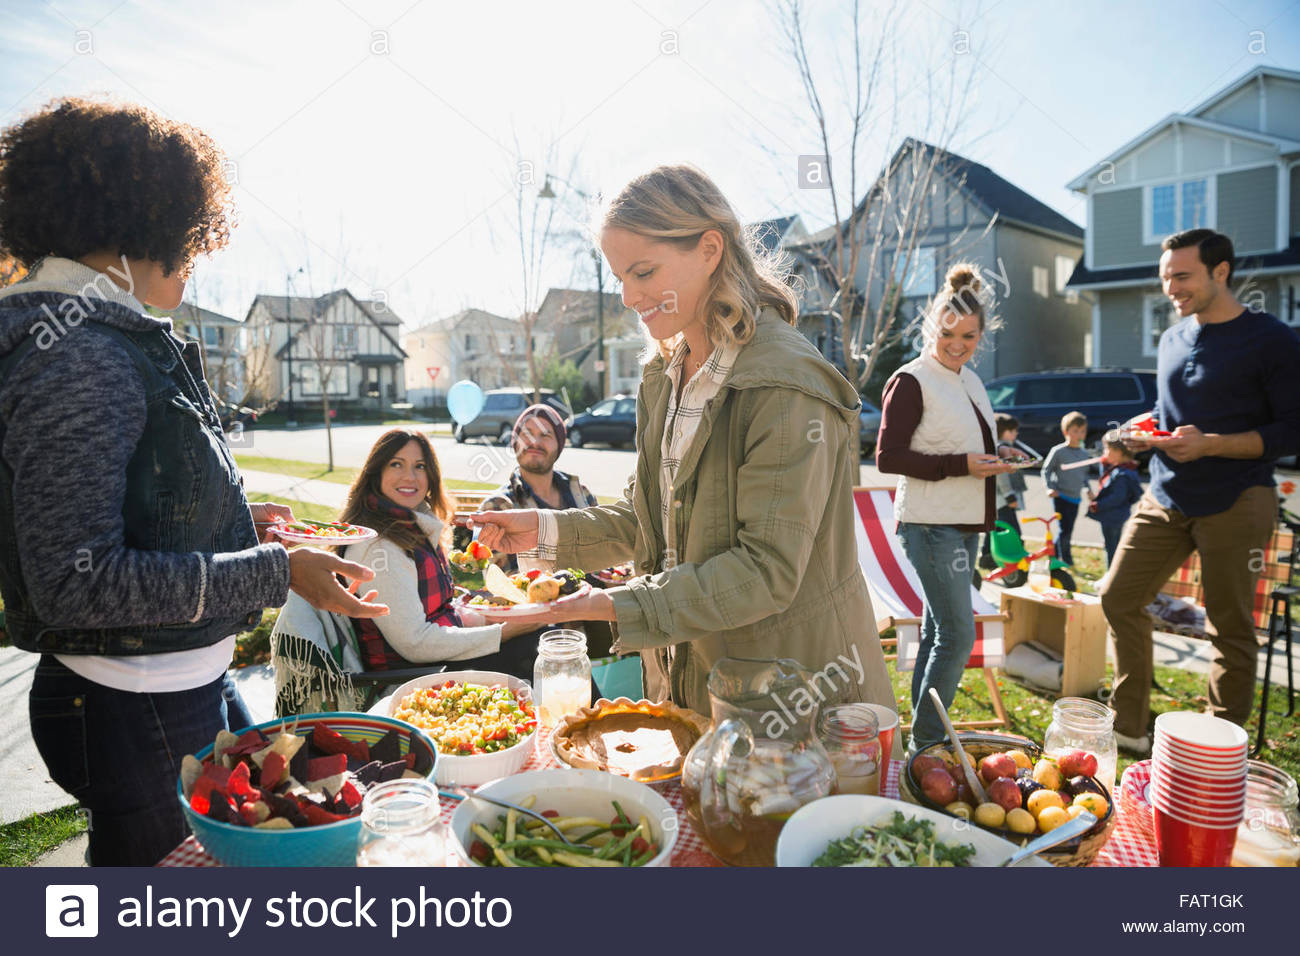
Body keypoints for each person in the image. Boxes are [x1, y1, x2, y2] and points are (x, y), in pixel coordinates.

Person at [0, 98, 386, 866]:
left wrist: (235, 518)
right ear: (141, 221)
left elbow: (139, 504)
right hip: (129, 705)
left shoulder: (95, 333)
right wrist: (279, 572)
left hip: (176, 685)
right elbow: (78, 583)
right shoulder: (75, 352)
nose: (194, 252)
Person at [470, 164, 896, 722]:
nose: (628, 296)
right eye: (620, 276)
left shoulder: (784, 381)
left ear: (710, 248)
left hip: (793, 706)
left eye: (643, 271)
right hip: (695, 685)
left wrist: (613, 606)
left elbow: (765, 570)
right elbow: (645, 518)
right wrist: (542, 531)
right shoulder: (664, 373)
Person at [1100, 228, 1300, 754]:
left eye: (1182, 276)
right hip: (1164, 495)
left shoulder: (1273, 340)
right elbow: (1170, 417)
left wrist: (1212, 444)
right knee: (1118, 598)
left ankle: (1215, 750)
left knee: (1229, 628)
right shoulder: (1172, 338)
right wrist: (1142, 433)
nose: (1171, 288)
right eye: (1166, 277)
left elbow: (1292, 430)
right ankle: (1129, 728)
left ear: (1220, 271)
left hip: (1238, 499)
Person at [875, 264, 1016, 750]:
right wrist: (963, 465)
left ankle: (920, 737)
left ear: (982, 335)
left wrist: (1001, 457)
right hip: (930, 526)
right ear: (930, 327)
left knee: (941, 633)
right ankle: (927, 748)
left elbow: (972, 444)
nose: (957, 343)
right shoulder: (911, 380)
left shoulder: (969, 380)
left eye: (969, 336)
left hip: (964, 523)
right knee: (958, 637)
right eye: (947, 333)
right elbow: (887, 456)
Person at [337, 429, 538, 679]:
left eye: (419, 466)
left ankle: (589, 715)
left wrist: (493, 618)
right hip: (412, 678)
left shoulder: (412, 529)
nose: (409, 476)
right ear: (376, 473)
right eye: (396, 464)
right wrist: (503, 632)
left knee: (546, 634)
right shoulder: (378, 547)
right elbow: (415, 643)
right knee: (537, 645)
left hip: (439, 662)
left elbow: (444, 612)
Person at [478, 404, 598, 573]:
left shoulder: (583, 495)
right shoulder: (498, 507)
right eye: (527, 434)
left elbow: (605, 556)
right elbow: (500, 582)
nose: (535, 442)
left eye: (546, 435)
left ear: (559, 446)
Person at [1041, 411, 1091, 566]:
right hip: (1061, 496)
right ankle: (1066, 559)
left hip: (1076, 498)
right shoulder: (1058, 451)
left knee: (1068, 529)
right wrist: (1050, 488)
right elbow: (1046, 470)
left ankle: (1053, 555)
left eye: (1082, 431)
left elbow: (1084, 475)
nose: (1079, 434)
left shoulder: (1084, 454)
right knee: (1065, 530)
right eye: (1075, 431)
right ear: (1066, 431)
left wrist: (1088, 489)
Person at [1085, 431, 1142, 565]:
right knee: (1113, 543)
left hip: (1112, 517)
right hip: (1118, 515)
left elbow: (1116, 498)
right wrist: (1104, 464)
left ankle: (1111, 574)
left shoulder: (1122, 476)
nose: (1104, 452)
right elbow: (1106, 478)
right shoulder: (1126, 469)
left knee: (1111, 547)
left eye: (1107, 448)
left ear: (1119, 452)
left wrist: (1097, 505)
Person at [979, 413, 1027, 570]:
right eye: (1012, 431)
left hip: (998, 499)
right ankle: (1011, 560)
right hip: (1001, 499)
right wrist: (1010, 496)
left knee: (994, 527)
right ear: (1002, 431)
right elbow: (1002, 476)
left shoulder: (1004, 447)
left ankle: (987, 557)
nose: (1015, 434)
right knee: (1011, 529)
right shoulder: (999, 449)